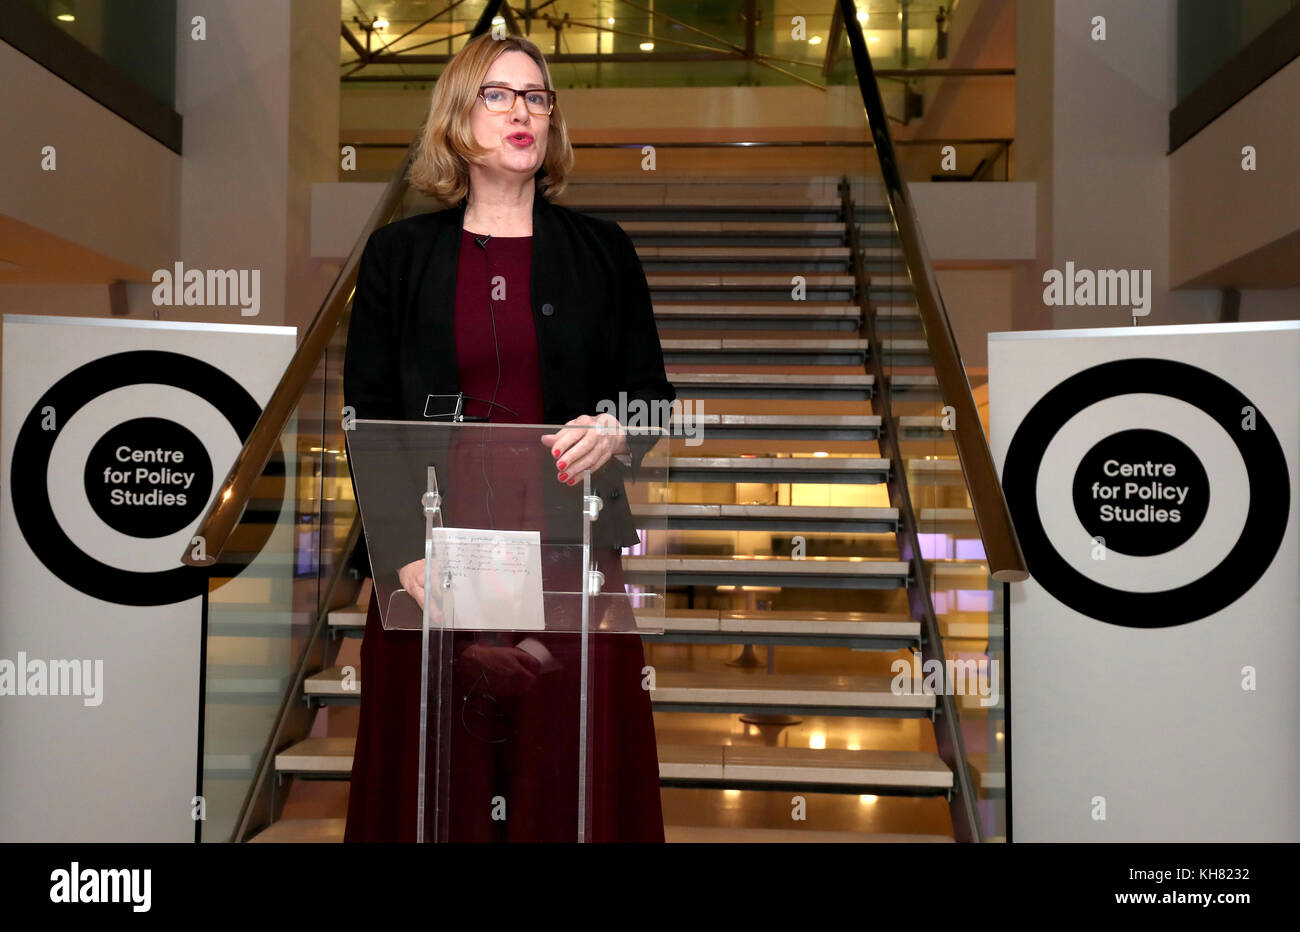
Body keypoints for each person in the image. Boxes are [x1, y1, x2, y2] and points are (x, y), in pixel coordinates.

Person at [341, 32, 674, 842]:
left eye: (537, 96)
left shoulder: (602, 250)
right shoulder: (398, 255)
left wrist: (613, 431)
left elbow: (652, 400)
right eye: (498, 94)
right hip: (432, 554)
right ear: (458, 115)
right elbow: (369, 413)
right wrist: (400, 553)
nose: (521, 111)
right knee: (435, 777)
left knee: (565, 768)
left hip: (567, 547)